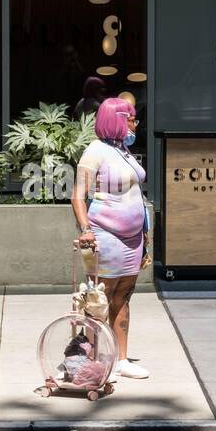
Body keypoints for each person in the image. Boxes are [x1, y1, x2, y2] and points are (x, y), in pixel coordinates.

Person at [71, 98, 150, 379]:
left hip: (132, 239)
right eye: (131, 119)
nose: (135, 124)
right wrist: (86, 229)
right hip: (107, 235)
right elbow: (78, 195)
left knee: (123, 297)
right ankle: (95, 360)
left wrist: (144, 232)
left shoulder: (123, 150)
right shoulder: (95, 151)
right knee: (100, 299)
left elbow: (134, 192)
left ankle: (121, 360)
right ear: (117, 119)